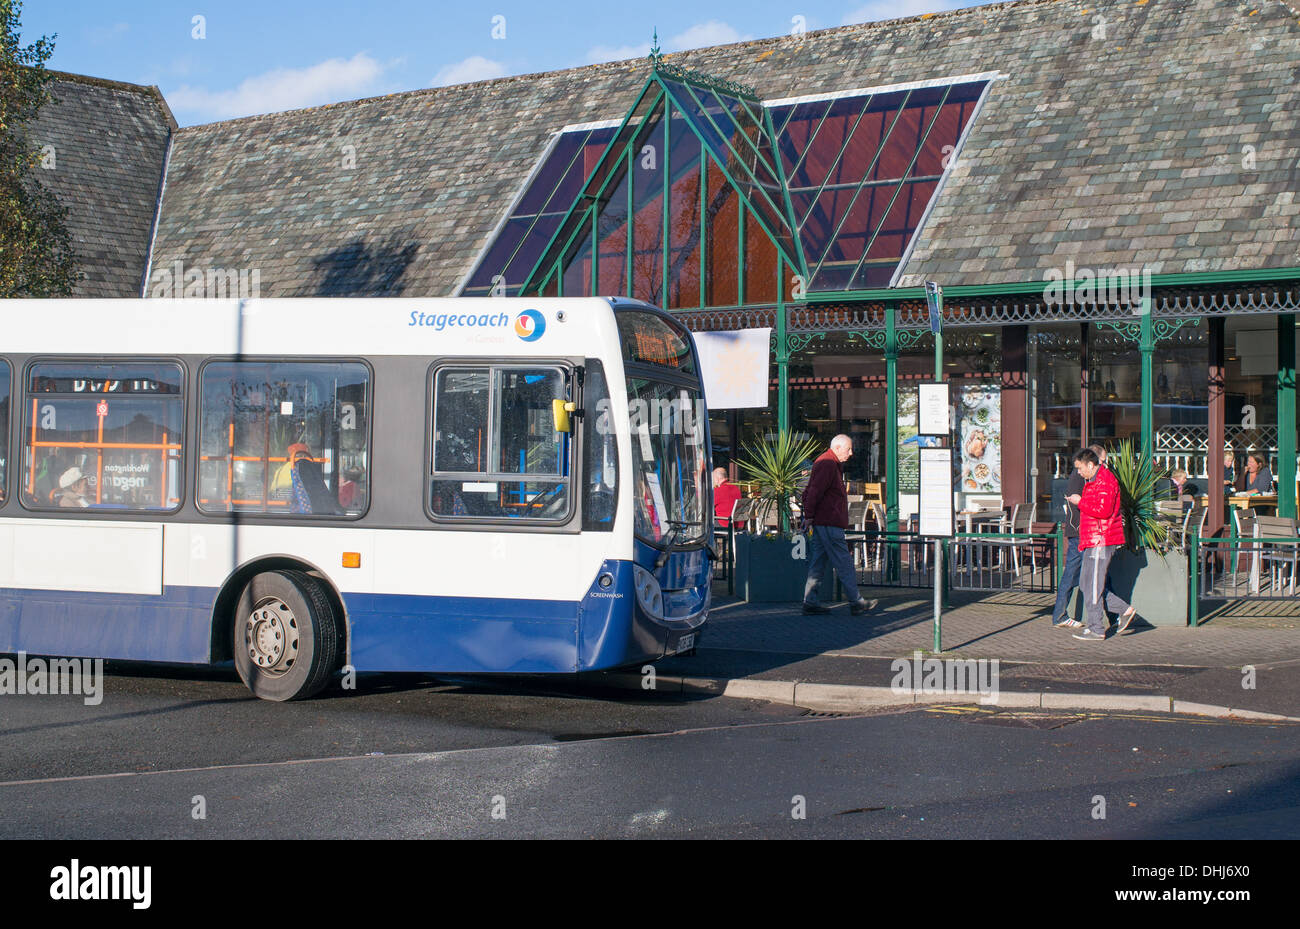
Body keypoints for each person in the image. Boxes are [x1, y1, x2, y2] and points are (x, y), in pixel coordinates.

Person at [1068, 448, 1137, 641]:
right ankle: (1119, 613)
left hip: (1101, 538)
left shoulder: (1104, 480)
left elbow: (1103, 510)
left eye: (1080, 468)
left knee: (1092, 585)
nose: (1079, 473)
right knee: (1086, 584)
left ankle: (1097, 628)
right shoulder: (1096, 480)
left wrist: (1080, 502)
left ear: (1090, 464)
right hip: (1094, 538)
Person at [800, 435, 873, 616]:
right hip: (828, 521)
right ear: (838, 448)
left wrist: (809, 515)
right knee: (844, 562)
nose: (851, 453)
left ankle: (810, 601)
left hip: (824, 521)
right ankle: (856, 601)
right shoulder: (827, 463)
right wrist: (809, 515)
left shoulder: (827, 462)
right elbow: (814, 491)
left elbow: (811, 490)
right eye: (848, 449)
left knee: (818, 562)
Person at [1050, 449, 1087, 628]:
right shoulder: (1080, 478)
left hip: (1079, 532)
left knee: (1081, 574)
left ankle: (1117, 613)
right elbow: (1079, 504)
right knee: (1072, 573)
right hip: (1079, 533)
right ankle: (1059, 615)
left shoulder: (1079, 477)